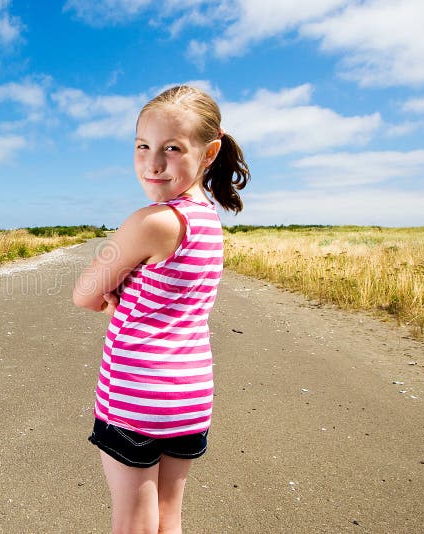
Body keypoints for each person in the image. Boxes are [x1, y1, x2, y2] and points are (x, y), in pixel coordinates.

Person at [73, 85, 249, 534]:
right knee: (168, 518)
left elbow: (84, 294)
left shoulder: (150, 222)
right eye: (142, 147)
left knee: (132, 522)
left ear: (209, 153)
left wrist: (111, 294)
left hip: (135, 396)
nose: (153, 163)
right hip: (190, 396)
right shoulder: (207, 219)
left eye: (171, 148)